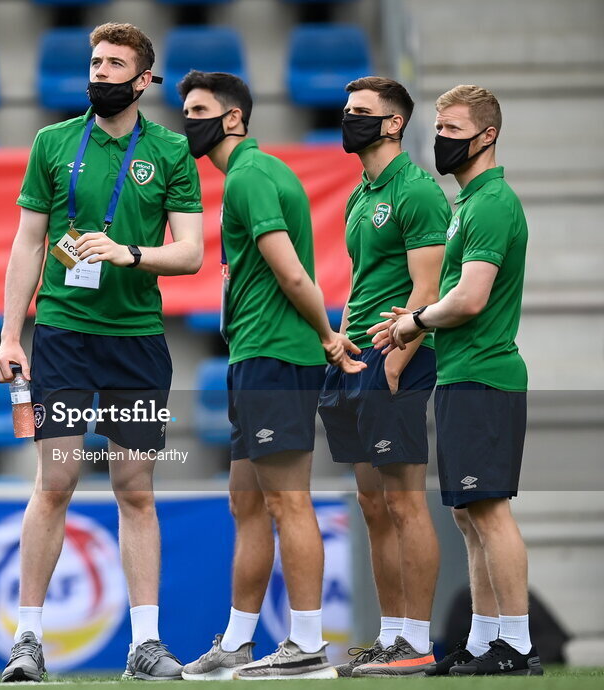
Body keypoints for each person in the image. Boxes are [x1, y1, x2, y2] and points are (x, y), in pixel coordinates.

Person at [0, 22, 203, 683]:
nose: (101, 72)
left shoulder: (169, 150)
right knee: (55, 484)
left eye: (115, 64)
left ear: (144, 79)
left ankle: (145, 644)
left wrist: (129, 253)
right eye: (95, 62)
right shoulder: (54, 142)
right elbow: (28, 244)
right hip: (64, 336)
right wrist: (8, 334)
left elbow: (191, 252)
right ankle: (27, 640)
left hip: (137, 344)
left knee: (135, 489)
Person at [177, 70, 363, 681]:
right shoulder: (254, 174)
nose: (188, 119)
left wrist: (328, 335)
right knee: (246, 502)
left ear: (233, 118)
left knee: (287, 499)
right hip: (254, 356)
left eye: (199, 108)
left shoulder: (252, 176)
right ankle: (237, 643)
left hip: (275, 357)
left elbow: (292, 274)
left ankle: (307, 646)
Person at [369, 84, 542, 677]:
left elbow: (468, 300)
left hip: (486, 372)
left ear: (486, 135)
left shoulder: (491, 203)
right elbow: (453, 298)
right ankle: (482, 641)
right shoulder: (466, 203)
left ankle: (517, 645)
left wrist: (412, 322)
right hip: (462, 371)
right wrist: (413, 319)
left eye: (452, 129)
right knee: (470, 514)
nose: (440, 139)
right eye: (438, 128)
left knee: (489, 510)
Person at [316, 76, 450, 677]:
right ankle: (391, 635)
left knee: (402, 498)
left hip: (396, 360)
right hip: (357, 357)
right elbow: (366, 278)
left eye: (362, 112)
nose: (350, 119)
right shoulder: (358, 193)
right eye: (347, 111)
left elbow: (430, 290)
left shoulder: (417, 191)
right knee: (372, 501)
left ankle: (417, 640)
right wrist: (344, 339)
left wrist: (397, 357)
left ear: (394, 123)